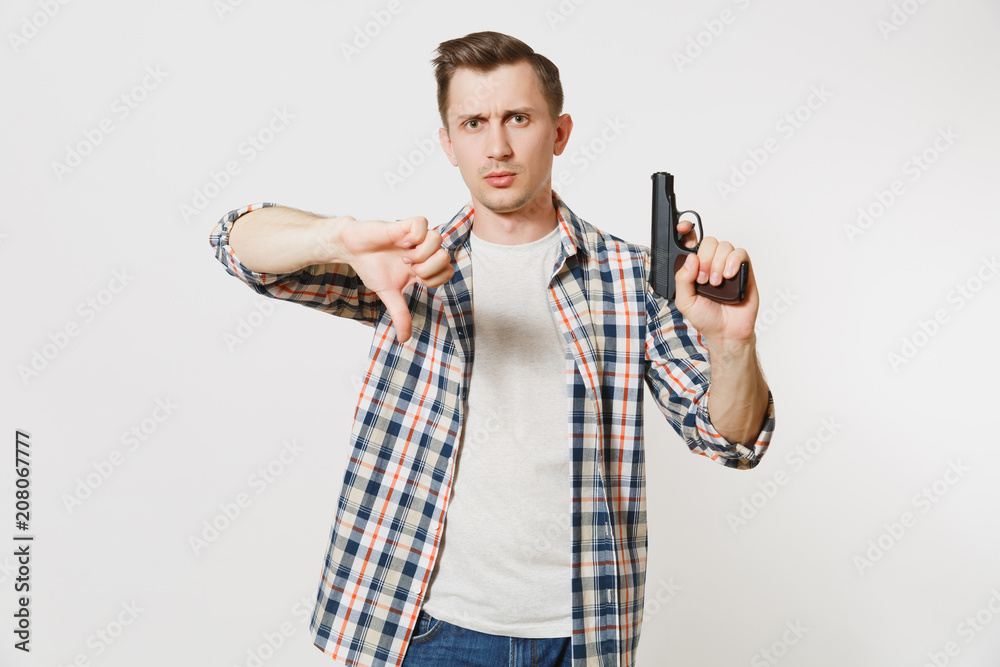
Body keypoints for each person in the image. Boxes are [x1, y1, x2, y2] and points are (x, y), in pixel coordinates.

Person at [209, 30, 774, 667]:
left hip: (583, 634)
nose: (497, 146)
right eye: (474, 123)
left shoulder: (630, 279)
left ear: (558, 133)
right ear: (448, 142)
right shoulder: (408, 266)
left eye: (518, 118)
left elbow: (729, 440)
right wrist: (338, 237)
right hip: (427, 629)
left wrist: (733, 343)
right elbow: (238, 242)